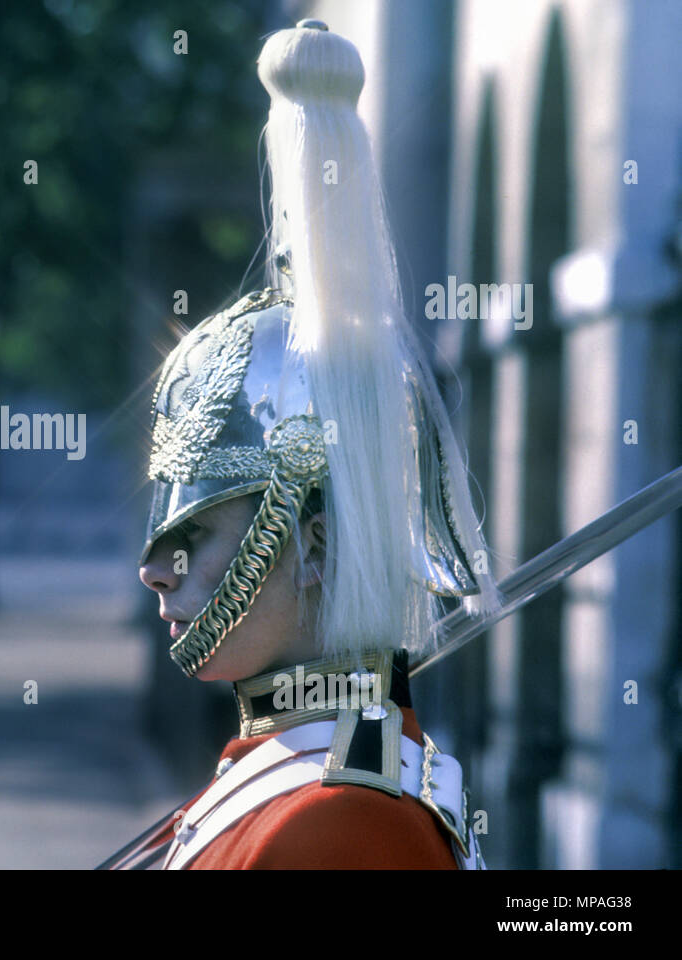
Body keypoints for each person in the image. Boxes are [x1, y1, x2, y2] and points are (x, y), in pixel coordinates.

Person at [136, 20, 495, 870]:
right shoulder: (285, 782)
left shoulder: (338, 827)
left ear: (319, 545)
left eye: (197, 531)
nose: (155, 567)